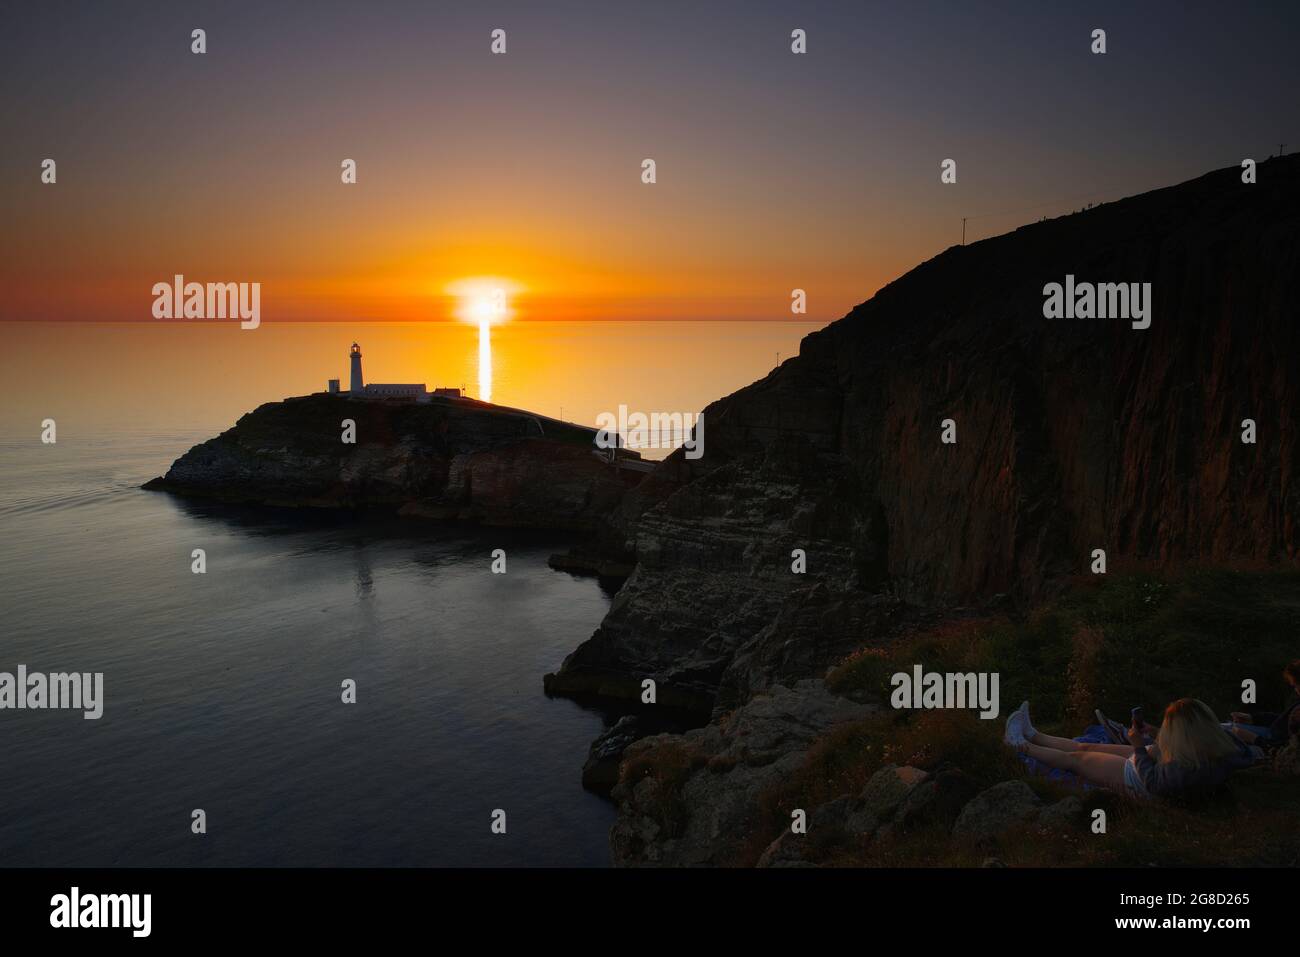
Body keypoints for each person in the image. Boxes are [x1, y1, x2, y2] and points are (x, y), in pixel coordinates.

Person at [1005, 698, 1257, 800]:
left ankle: (1020, 745)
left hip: (1139, 777)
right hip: (1155, 759)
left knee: (1076, 759)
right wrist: (1155, 733)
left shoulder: (1187, 770)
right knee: (1087, 744)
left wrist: (1137, 747)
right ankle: (1033, 733)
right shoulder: (1221, 742)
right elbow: (1250, 754)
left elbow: (1155, 784)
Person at [1226, 659, 1300, 747]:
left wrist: (1253, 738)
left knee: (1222, 732)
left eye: (1295, 685)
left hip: (1266, 743)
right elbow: (1284, 722)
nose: (1296, 690)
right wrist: (1253, 719)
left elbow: (1283, 749)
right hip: (1269, 734)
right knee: (1222, 728)